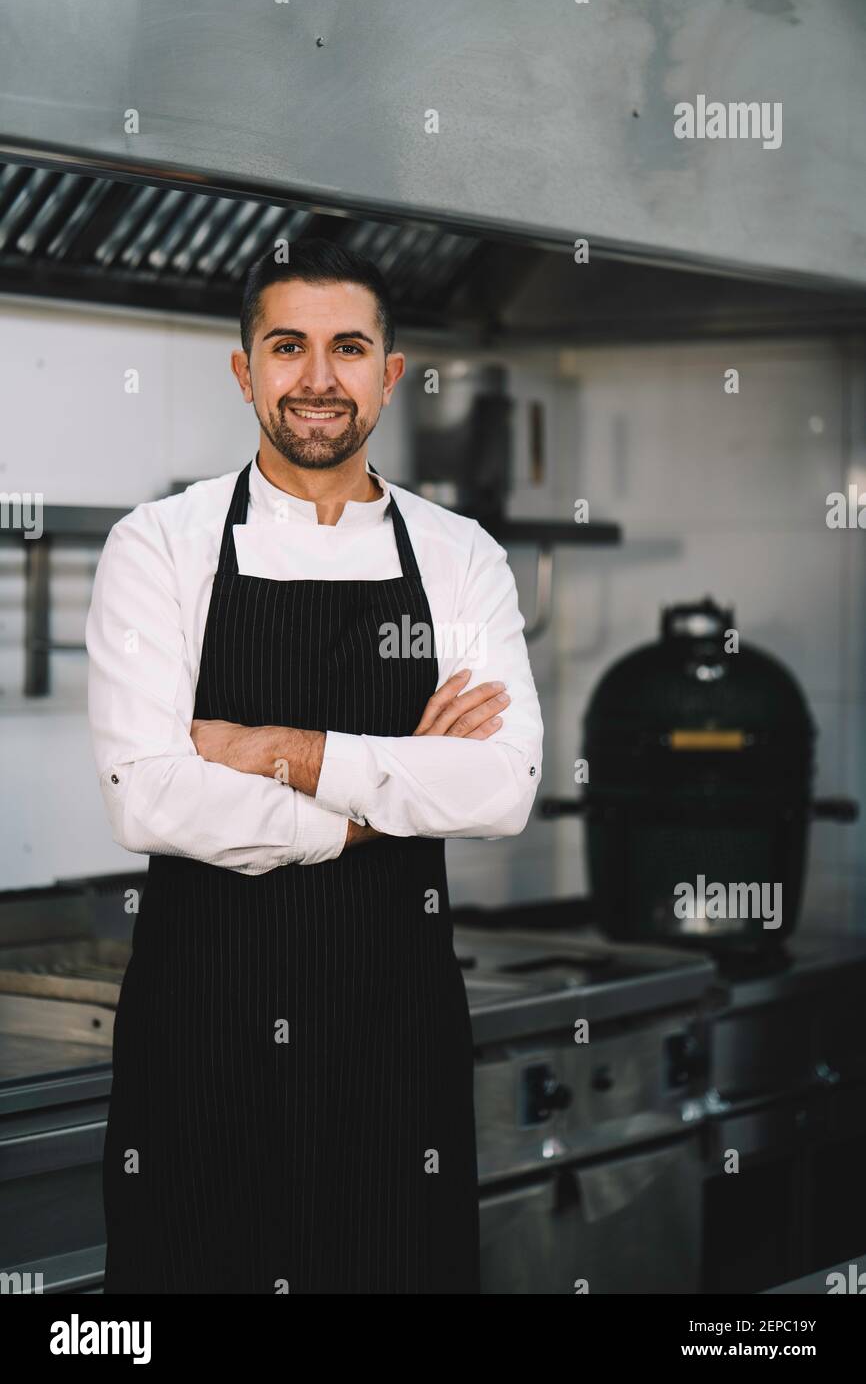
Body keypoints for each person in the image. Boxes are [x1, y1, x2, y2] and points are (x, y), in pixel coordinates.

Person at [86, 238, 543, 1293]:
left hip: (393, 1039)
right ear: (245, 371)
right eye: (287, 347)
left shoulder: (458, 554)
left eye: (348, 348)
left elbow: (500, 786)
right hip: (202, 1038)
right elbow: (148, 795)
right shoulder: (160, 544)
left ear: (388, 374)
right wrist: (386, 796)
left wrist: (272, 750)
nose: (317, 379)